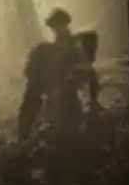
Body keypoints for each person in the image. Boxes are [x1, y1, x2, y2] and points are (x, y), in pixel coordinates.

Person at [17, 8, 99, 141]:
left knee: (68, 122)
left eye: (59, 24)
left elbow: (88, 71)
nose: (57, 29)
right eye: (55, 26)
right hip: (54, 82)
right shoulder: (46, 49)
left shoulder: (75, 44)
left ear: (65, 24)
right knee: (33, 95)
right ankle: (25, 132)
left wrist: (93, 101)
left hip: (69, 86)